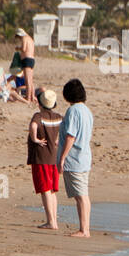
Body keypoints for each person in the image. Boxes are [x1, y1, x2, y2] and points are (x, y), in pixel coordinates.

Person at [57, 79, 94, 237]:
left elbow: (71, 136)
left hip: (75, 158)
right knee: (82, 195)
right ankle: (84, 228)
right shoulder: (87, 110)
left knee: (81, 196)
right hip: (84, 157)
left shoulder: (73, 111)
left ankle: (84, 230)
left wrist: (62, 158)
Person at [28, 88, 63, 229]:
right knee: (52, 190)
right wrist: (58, 141)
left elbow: (33, 125)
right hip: (54, 157)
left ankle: (51, 221)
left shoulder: (38, 116)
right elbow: (64, 130)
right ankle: (54, 219)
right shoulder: (58, 117)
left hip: (41, 157)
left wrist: (35, 139)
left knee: (45, 190)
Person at [15, 28, 37, 104]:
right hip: (32, 59)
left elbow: (24, 49)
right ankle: (32, 96)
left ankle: (28, 98)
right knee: (30, 80)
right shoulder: (31, 39)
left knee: (27, 80)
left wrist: (18, 48)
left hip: (26, 59)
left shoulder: (24, 38)